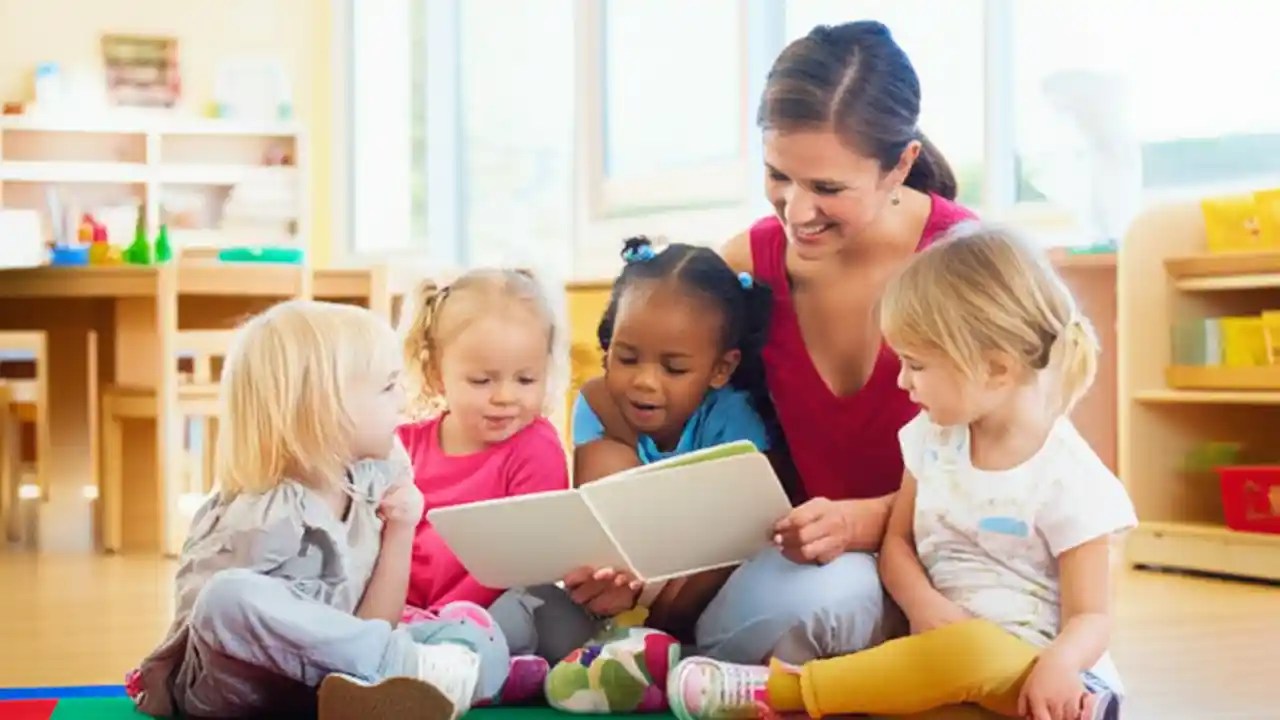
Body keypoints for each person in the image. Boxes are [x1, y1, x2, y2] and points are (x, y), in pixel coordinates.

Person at [666, 225, 1135, 720]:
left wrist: (1058, 667)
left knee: (970, 656)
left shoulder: (1069, 477)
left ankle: (785, 693)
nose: (903, 382)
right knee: (926, 679)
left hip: (1034, 675)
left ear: (996, 370)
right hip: (933, 656)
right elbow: (897, 544)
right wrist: (923, 607)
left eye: (917, 365)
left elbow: (1091, 615)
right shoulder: (931, 439)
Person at [695, 19, 980, 664]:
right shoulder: (746, 266)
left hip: (949, 555)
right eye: (778, 176)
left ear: (900, 165)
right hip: (808, 548)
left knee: (807, 607)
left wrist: (869, 521)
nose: (796, 211)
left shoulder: (970, 266)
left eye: (827, 188)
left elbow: (1021, 471)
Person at [125, 300, 509, 720]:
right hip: (233, 691)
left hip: (331, 677)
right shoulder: (256, 515)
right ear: (323, 409)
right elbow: (212, 632)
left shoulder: (371, 481)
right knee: (226, 597)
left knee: (474, 632)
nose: (403, 399)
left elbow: (372, 625)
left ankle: (394, 684)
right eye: (387, 387)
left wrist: (401, 528)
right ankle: (424, 674)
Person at [547, 235, 774, 713]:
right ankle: (621, 646)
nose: (645, 381)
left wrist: (668, 611)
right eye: (627, 358)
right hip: (623, 584)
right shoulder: (598, 402)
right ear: (608, 345)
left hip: (707, 580)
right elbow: (600, 514)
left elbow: (744, 531)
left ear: (720, 368)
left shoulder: (735, 417)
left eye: (673, 368)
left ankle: (664, 651)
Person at [396, 269, 598, 701]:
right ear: (436, 375)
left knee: (535, 606)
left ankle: (452, 670)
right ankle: (463, 671)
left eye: (525, 380)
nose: (506, 397)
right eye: (482, 381)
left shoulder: (535, 445)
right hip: (412, 615)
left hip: (501, 605)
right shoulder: (403, 447)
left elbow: (518, 560)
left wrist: (443, 619)